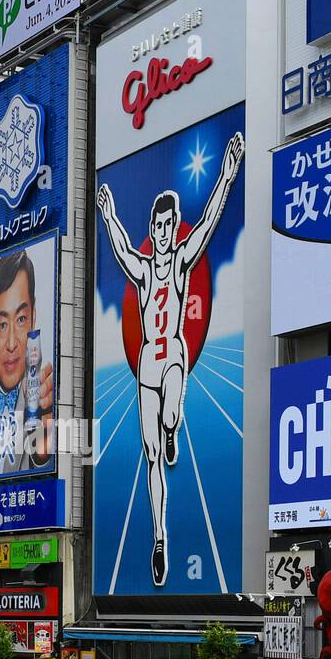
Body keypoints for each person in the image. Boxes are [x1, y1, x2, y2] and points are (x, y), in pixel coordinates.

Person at [95, 131, 244, 586]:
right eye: (156, 227)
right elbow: (120, 247)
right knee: (151, 456)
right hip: (147, 366)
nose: (161, 233)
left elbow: (211, 222)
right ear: (153, 228)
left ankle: (173, 425)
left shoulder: (179, 263)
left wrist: (228, 172)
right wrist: (108, 214)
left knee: (172, 414)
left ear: (173, 224)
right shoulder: (142, 271)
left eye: (168, 225)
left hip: (174, 355)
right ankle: (160, 536)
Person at [0, 248, 54, 478]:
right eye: (2, 325)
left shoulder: (46, 400)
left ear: (33, 319)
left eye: (20, 320)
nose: (10, 344)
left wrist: (44, 451)